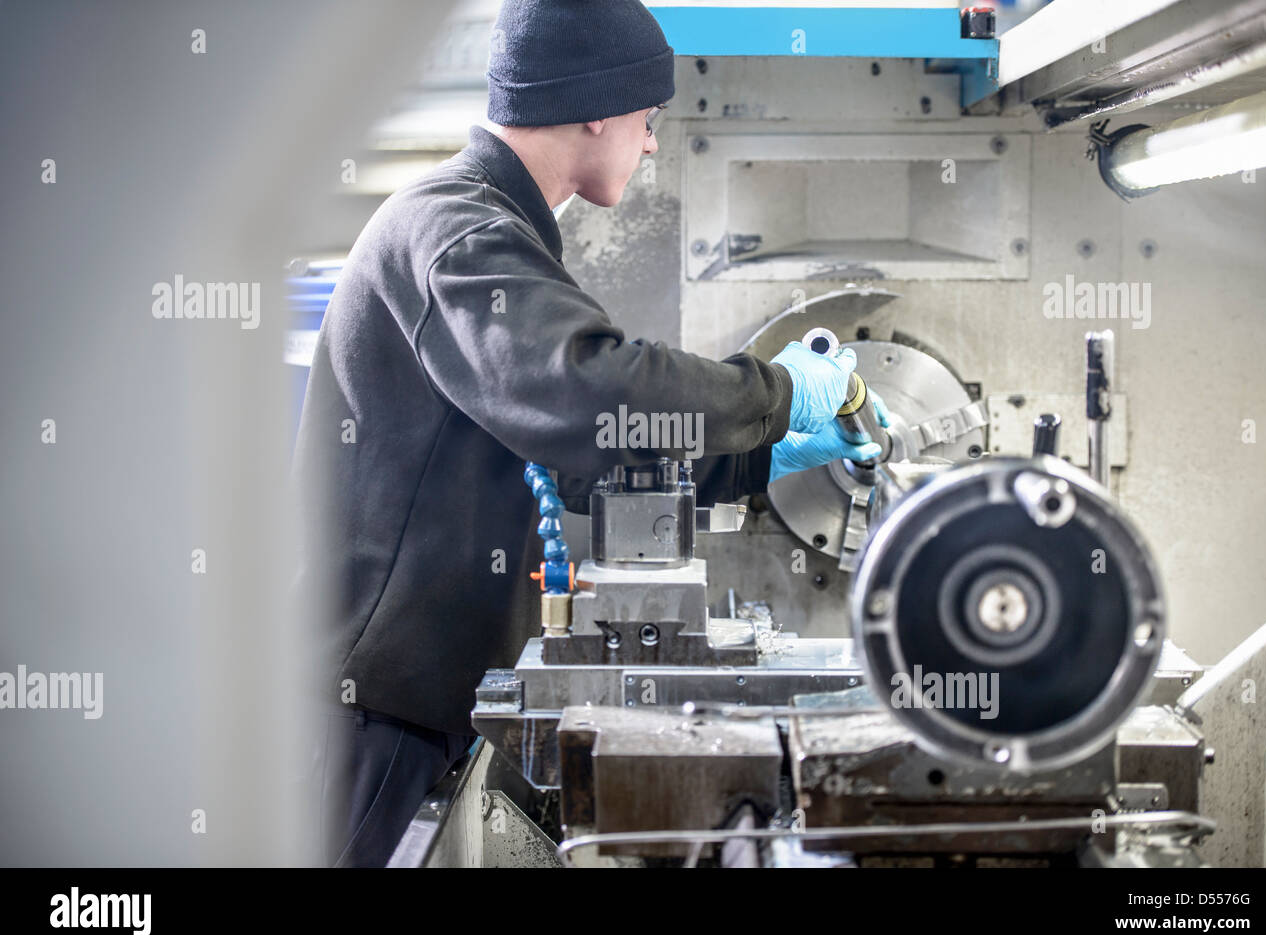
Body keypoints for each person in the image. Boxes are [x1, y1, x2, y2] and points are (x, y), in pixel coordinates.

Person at [292, 0, 886, 867]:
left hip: (405, 706)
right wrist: (783, 389)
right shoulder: (456, 231)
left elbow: (581, 459)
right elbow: (594, 392)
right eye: (648, 118)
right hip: (367, 712)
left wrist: (769, 453)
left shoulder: (494, 228)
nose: (650, 143)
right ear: (597, 106)